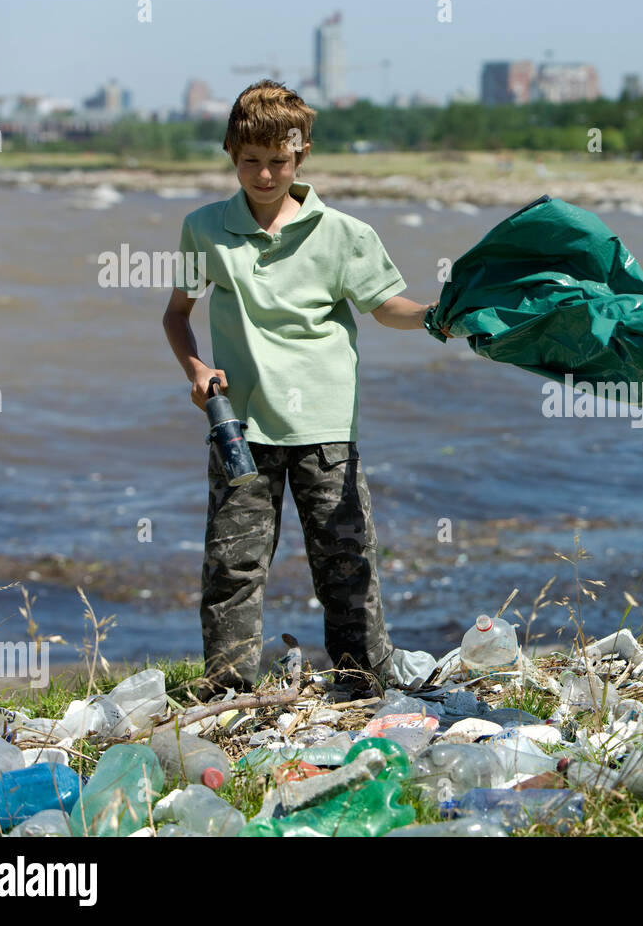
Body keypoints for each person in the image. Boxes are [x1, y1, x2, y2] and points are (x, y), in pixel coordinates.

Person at [161, 80, 447, 701]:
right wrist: (196, 371)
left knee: (346, 565)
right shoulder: (203, 228)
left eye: (279, 161)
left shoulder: (345, 233)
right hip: (240, 427)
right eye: (250, 162)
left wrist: (430, 314)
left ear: (302, 153)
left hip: (326, 428)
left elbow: (384, 306)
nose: (265, 175)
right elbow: (177, 313)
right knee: (232, 568)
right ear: (231, 155)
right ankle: (230, 689)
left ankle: (360, 682)